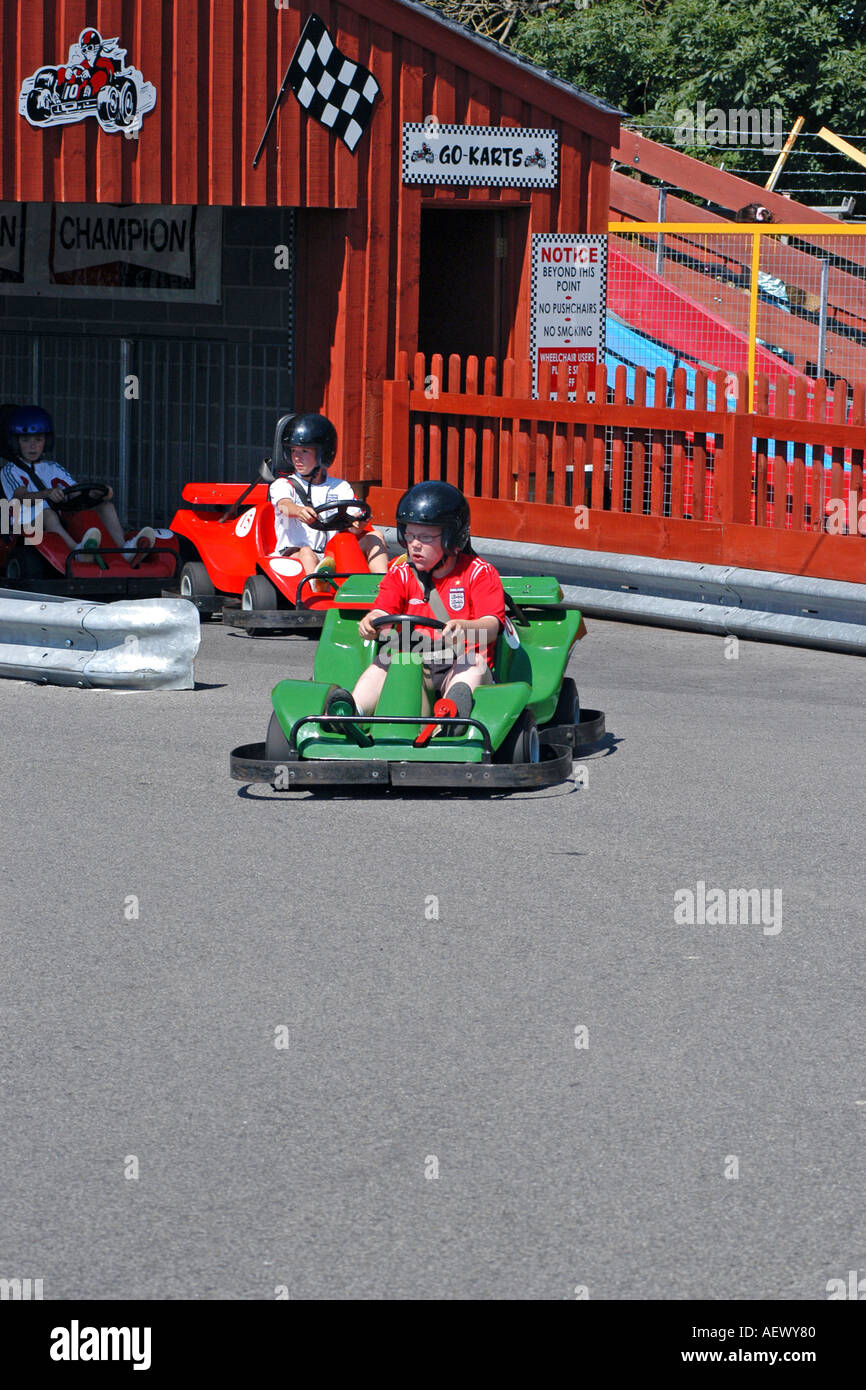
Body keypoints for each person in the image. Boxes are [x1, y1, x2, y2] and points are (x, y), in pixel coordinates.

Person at [348, 480, 505, 727]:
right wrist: (371, 620)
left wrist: (465, 627)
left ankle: (452, 715)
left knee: (473, 665)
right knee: (385, 661)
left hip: (459, 659)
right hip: (413, 661)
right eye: (409, 535)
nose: (415, 544)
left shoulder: (479, 573)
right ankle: (351, 712)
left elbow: (492, 625)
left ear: (452, 536)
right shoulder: (400, 572)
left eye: (425, 537)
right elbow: (383, 609)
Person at [0, 405, 155, 563]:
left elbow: (74, 491)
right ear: (15, 442)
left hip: (56, 519)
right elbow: (21, 496)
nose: (32, 446)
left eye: (38, 440)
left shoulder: (53, 468)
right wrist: (47, 493)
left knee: (105, 506)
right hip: (21, 525)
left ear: (46, 441)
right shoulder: (10, 470)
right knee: (48, 515)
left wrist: (99, 493)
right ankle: (78, 552)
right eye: (26, 440)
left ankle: (124, 551)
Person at [269, 413, 388, 580]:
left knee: (376, 537)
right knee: (306, 552)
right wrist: (299, 510)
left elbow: (353, 526)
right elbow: (284, 505)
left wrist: (358, 522)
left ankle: (383, 584)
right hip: (293, 554)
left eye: (304, 451)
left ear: (322, 454)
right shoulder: (283, 485)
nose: (297, 457)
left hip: (331, 554)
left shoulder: (340, 487)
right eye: (293, 450)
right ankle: (317, 590)